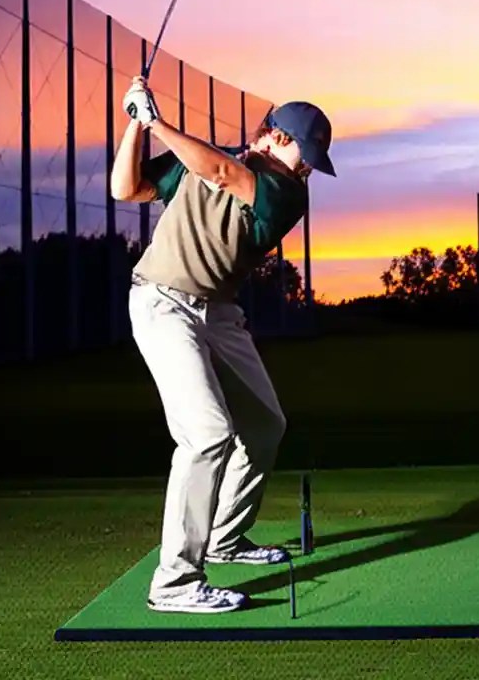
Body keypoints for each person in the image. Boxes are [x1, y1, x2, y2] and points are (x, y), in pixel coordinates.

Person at [109, 76, 336, 613]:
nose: (308, 167)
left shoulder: (286, 193)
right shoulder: (207, 161)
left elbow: (218, 171)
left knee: (263, 426)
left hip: (220, 315)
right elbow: (127, 188)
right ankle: (175, 582)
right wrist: (135, 126)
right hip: (163, 305)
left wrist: (156, 120)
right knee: (209, 435)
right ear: (277, 136)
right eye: (306, 154)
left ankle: (224, 538)